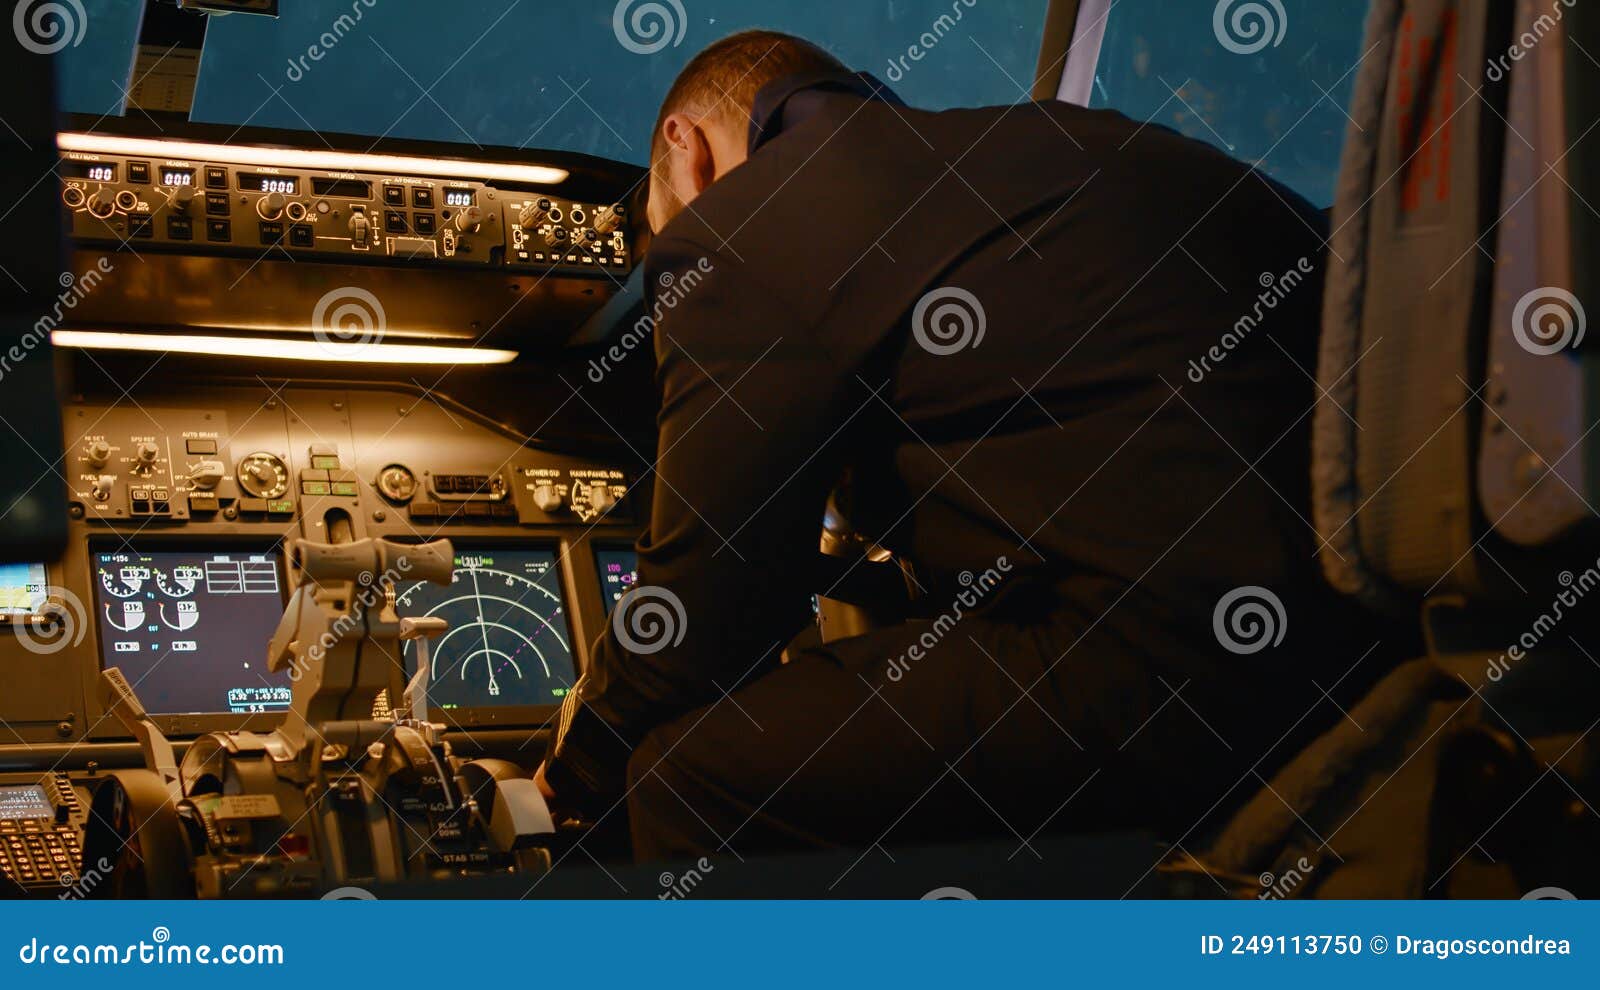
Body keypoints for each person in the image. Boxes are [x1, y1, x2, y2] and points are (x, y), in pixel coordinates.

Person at [537, 30, 1393, 862]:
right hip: (1371, 617)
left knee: (687, 782)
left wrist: (564, 779)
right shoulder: (1054, 146)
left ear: (687, 151)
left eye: (660, 227)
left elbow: (703, 619)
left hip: (1185, 660)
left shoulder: (735, 230)